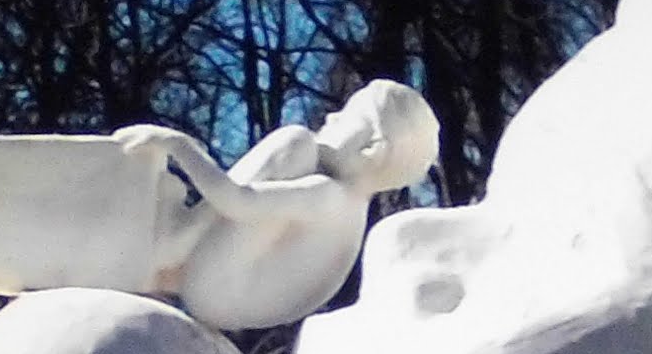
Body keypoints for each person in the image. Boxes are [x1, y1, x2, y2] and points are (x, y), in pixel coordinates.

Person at [113, 78, 439, 330]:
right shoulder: (351, 211)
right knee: (299, 148)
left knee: (295, 141)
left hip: (213, 290)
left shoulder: (330, 197)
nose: (330, 115)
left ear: (371, 148)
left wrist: (177, 145)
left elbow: (237, 201)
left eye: (347, 116)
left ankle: (173, 242)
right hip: (224, 301)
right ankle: (175, 252)